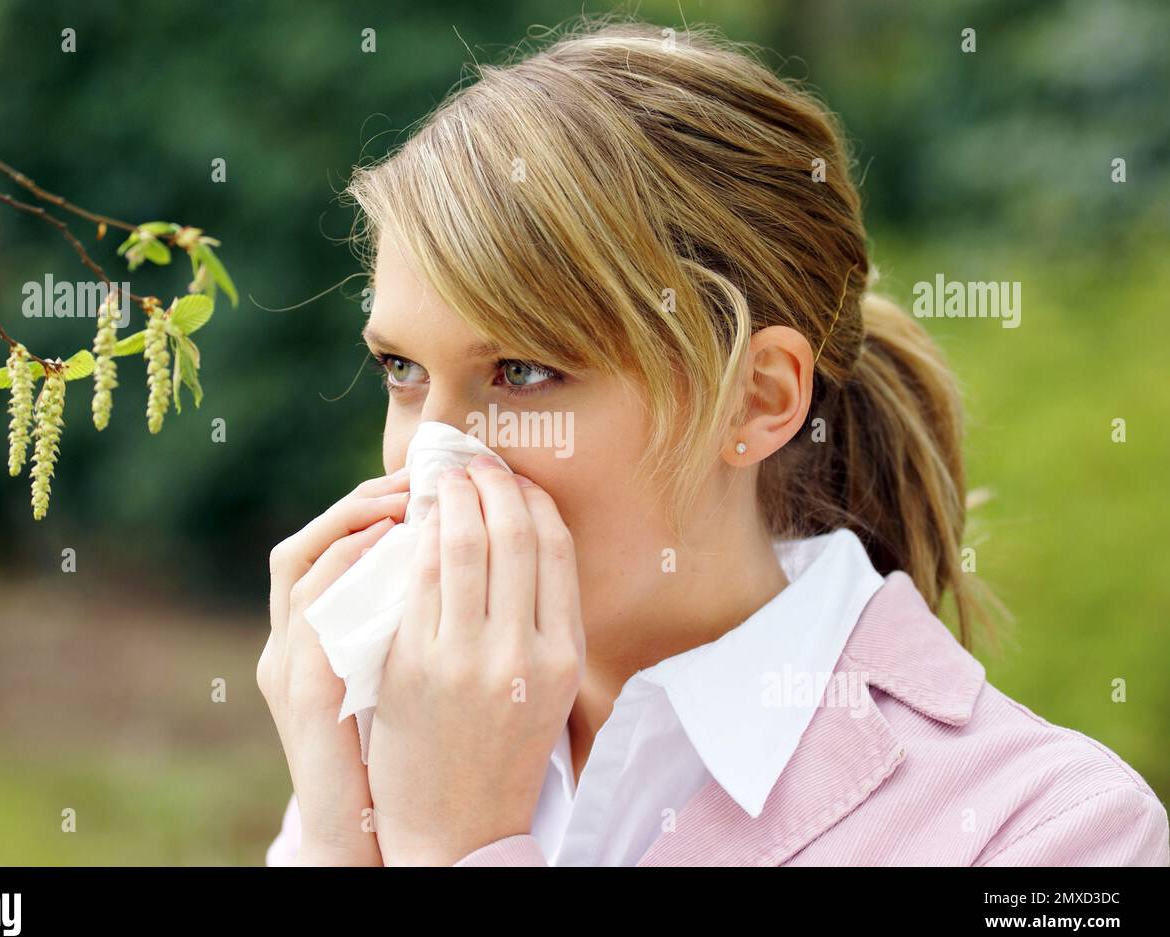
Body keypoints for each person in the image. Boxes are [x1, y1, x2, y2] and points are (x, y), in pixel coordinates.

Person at [256, 18, 1168, 866]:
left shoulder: (1055, 830)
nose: (430, 463)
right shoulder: (394, 739)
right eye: (402, 371)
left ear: (757, 401)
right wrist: (341, 837)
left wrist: (462, 848)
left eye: (521, 372)